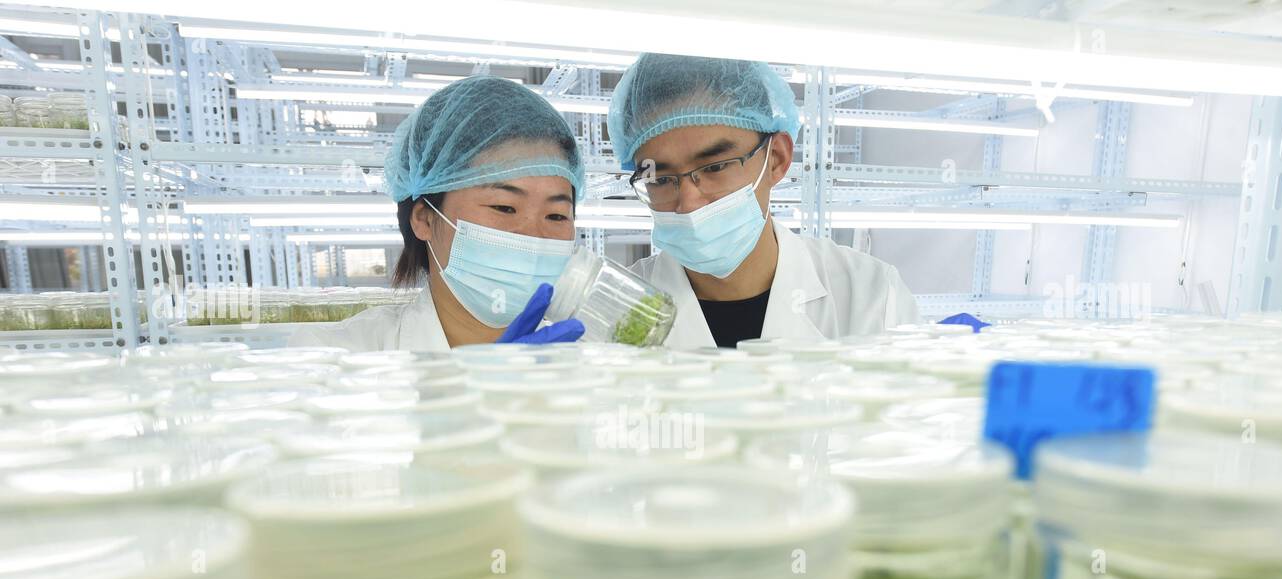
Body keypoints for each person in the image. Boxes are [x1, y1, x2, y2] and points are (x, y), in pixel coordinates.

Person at [609, 54, 921, 349]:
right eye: (661, 179)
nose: (688, 203)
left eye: (715, 167)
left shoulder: (871, 296)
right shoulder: (613, 310)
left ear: (776, 159)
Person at [291, 75, 585, 351]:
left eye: (557, 215)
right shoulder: (336, 353)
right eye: (504, 207)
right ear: (424, 218)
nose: (532, 236)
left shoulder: (595, 356)